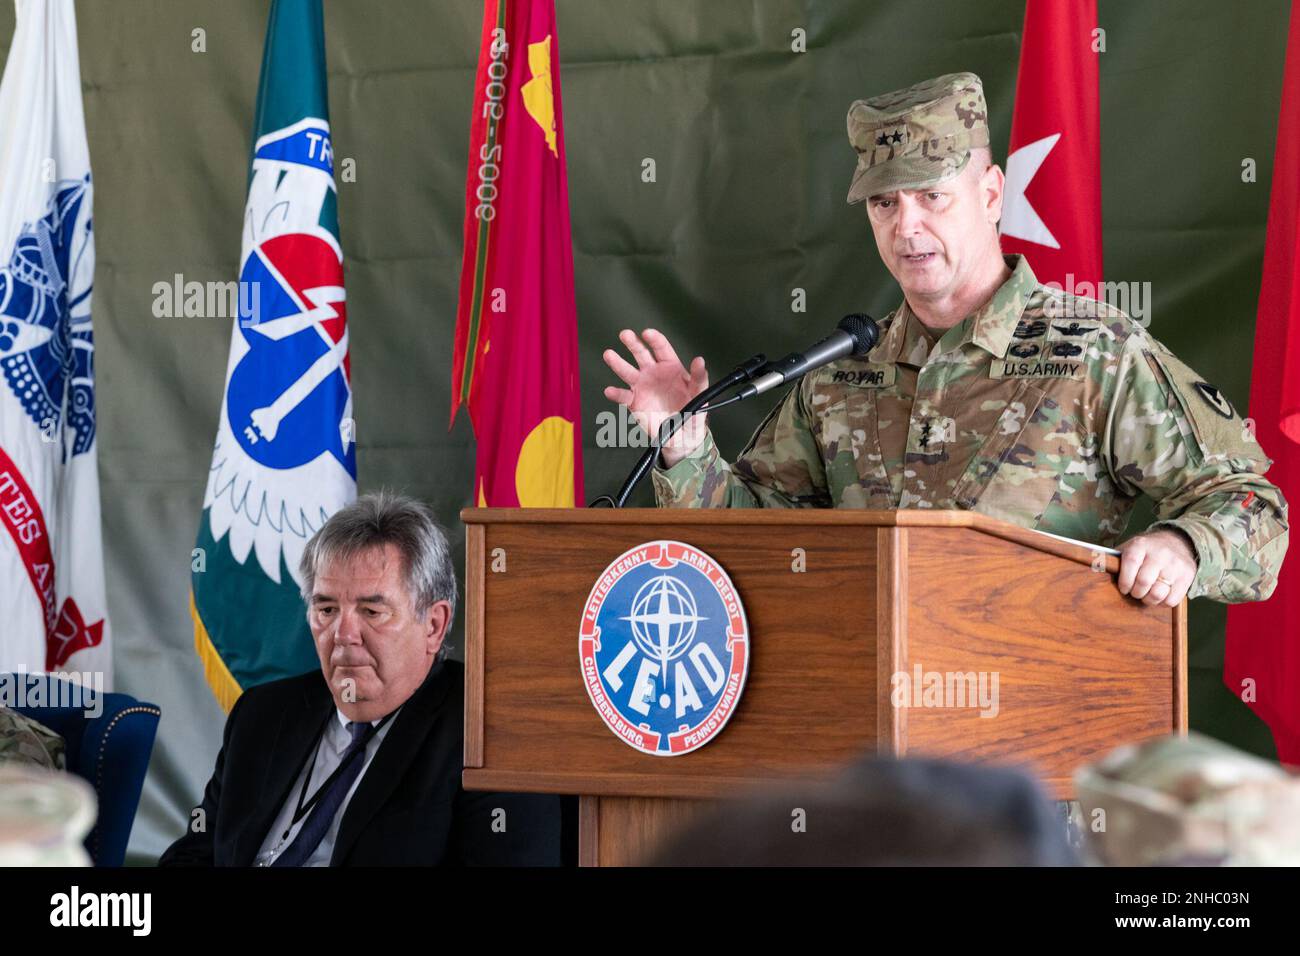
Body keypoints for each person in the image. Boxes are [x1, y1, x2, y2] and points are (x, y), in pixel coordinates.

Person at [602, 72, 1288, 606]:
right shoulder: (842, 371)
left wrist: (1183, 545)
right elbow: (746, 549)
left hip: (1032, 751)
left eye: (933, 196)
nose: (906, 228)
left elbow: (1252, 507)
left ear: (991, 196)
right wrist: (684, 445)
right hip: (865, 747)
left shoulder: (1095, 353)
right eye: (883, 203)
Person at [159, 492, 560, 866]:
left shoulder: (491, 732)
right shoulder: (262, 714)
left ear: (434, 625)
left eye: (371, 611)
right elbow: (196, 852)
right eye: (327, 609)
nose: (343, 634)